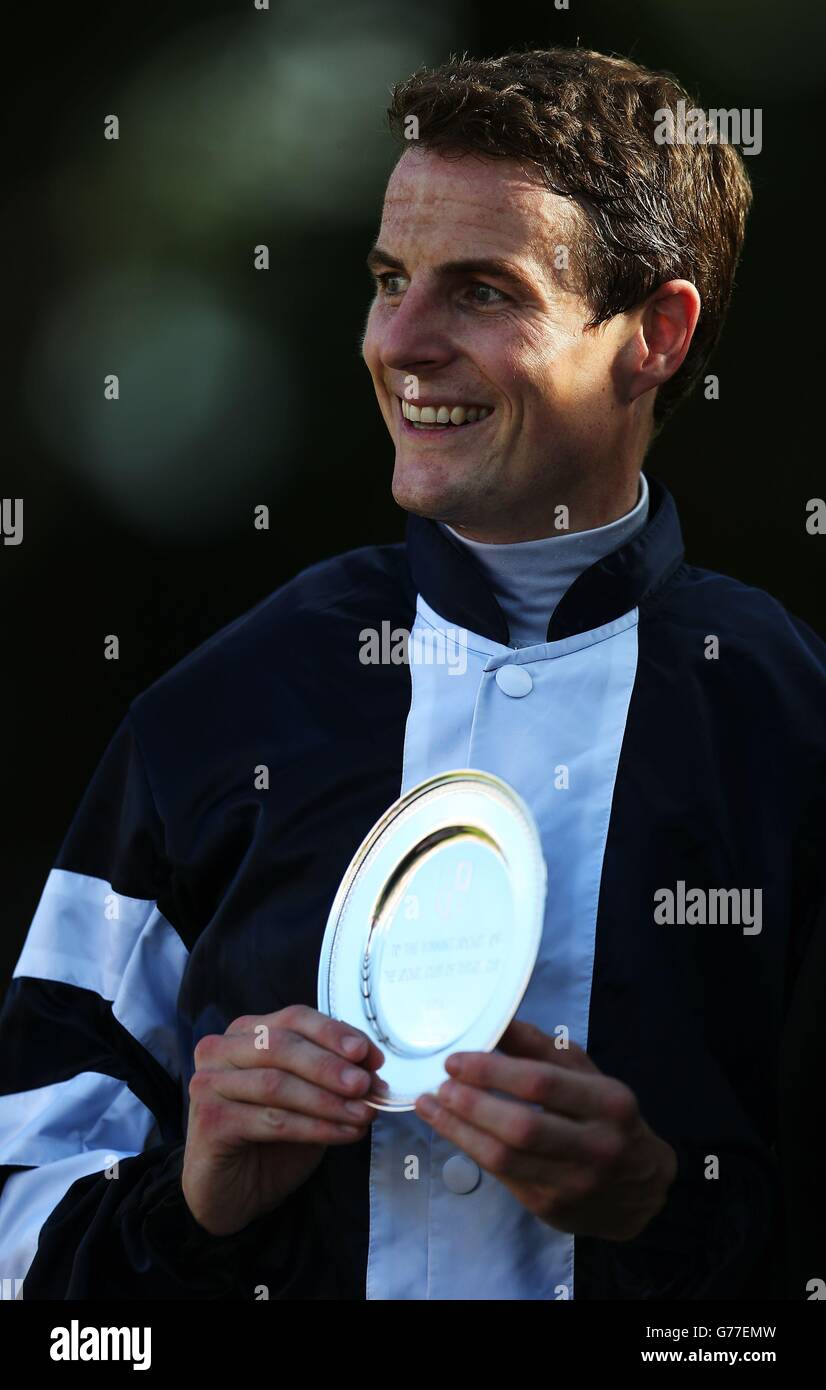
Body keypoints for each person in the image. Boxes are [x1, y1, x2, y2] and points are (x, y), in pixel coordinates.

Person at [1, 47, 824, 1301]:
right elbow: (26, 1234)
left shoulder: (788, 721)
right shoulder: (217, 709)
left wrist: (666, 1201)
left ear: (655, 334)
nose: (400, 341)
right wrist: (189, 1202)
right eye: (390, 279)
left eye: (482, 291)